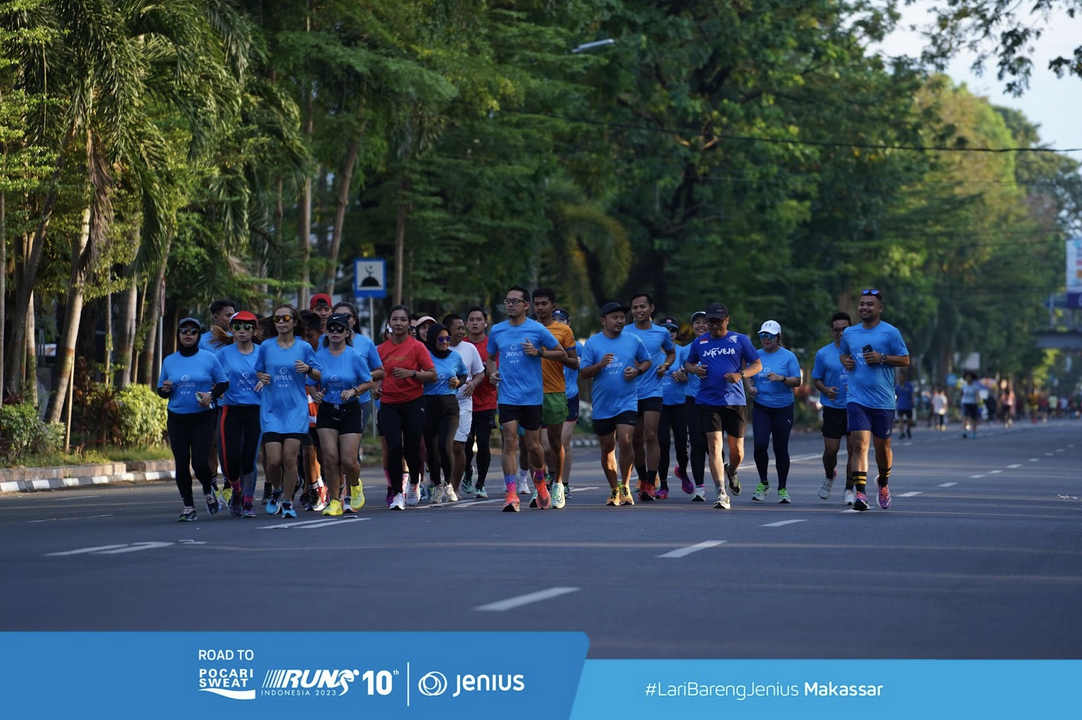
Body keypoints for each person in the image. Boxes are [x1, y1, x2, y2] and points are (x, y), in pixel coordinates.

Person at [486, 285, 566, 512]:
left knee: (534, 447)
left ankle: (540, 483)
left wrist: (539, 352)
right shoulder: (497, 330)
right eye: (507, 301)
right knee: (509, 441)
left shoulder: (537, 329)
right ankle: (511, 494)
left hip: (532, 397)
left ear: (525, 305)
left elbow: (561, 353)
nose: (510, 305)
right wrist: (492, 372)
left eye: (515, 301)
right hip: (508, 396)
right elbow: (490, 359)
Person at [838, 289, 910, 512]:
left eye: (870, 304)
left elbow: (905, 359)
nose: (864, 307)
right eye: (862, 304)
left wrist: (882, 358)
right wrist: (845, 361)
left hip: (883, 401)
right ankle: (860, 493)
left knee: (882, 448)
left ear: (880, 308)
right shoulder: (849, 333)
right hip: (856, 398)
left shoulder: (890, 332)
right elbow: (843, 353)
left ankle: (884, 483)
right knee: (859, 444)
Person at [684, 303, 761, 510]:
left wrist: (740, 375)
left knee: (737, 451)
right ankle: (721, 493)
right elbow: (689, 364)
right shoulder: (700, 342)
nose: (714, 325)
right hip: (708, 401)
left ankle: (732, 470)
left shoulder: (740, 340)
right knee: (714, 446)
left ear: (727, 320)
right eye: (711, 321)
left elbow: (757, 364)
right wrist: (695, 369)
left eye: (718, 321)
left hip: (735, 402)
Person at [579, 301, 651, 507]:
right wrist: (601, 364)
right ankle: (613, 489)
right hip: (602, 404)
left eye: (622, 317)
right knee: (607, 448)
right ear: (603, 320)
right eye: (615, 317)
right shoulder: (593, 343)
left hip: (627, 401)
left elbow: (646, 361)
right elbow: (584, 372)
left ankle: (625, 485)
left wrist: (637, 371)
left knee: (626, 441)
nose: (620, 321)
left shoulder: (633, 340)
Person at [254, 304, 322, 518]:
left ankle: (287, 502)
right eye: (277, 319)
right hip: (272, 410)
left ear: (294, 322)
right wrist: (262, 376)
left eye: (285, 318)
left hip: (295, 410)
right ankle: (276, 490)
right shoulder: (266, 346)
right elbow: (258, 370)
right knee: (273, 460)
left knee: (289, 458)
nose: (281, 322)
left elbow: (318, 374)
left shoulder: (304, 347)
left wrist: (308, 369)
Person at [159, 317, 229, 521]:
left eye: (193, 331)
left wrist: (211, 395)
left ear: (198, 335)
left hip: (203, 417)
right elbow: (161, 390)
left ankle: (208, 488)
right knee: (181, 463)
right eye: (184, 331)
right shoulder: (169, 360)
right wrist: (165, 389)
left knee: (199, 463)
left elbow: (223, 383)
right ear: (178, 335)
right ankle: (188, 506)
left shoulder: (209, 358)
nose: (188, 335)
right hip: (177, 418)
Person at [310, 313, 378, 516]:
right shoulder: (319, 356)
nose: (335, 332)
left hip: (350, 409)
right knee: (330, 458)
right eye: (331, 328)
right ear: (326, 332)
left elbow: (368, 382)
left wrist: (354, 390)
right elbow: (311, 383)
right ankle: (334, 501)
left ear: (347, 332)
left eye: (340, 329)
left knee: (348, 460)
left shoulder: (355, 356)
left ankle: (355, 485)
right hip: (327, 410)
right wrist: (315, 395)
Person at [377, 305, 437, 510]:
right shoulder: (381, 349)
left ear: (408, 324)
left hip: (413, 402)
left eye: (403, 320)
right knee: (394, 449)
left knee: (413, 450)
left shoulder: (417, 347)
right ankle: (397, 494)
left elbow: (432, 375)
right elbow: (374, 375)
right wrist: (376, 388)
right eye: (395, 319)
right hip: (389, 404)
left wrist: (412, 373)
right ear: (389, 323)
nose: (398, 323)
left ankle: (414, 482)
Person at [531, 288, 579, 510]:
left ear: (552, 306)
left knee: (555, 443)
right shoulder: (527, 328)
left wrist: (548, 354)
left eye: (544, 303)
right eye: (537, 304)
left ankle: (558, 484)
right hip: (530, 394)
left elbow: (574, 362)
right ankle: (540, 486)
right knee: (535, 445)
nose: (540, 307)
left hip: (555, 392)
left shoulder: (563, 330)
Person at [626, 292, 676, 502]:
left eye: (642, 307)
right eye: (635, 307)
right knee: (635, 439)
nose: (638, 311)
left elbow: (671, 353)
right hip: (630, 392)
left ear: (651, 308)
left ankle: (650, 483)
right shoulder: (625, 332)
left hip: (653, 390)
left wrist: (665, 366)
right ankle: (642, 477)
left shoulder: (661, 332)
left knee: (651, 435)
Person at [214, 310, 262, 518]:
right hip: (230, 410)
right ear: (231, 330)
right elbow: (213, 377)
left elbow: (272, 375)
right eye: (237, 327)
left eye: (247, 327)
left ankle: (248, 501)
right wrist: (213, 390)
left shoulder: (262, 352)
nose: (242, 331)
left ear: (254, 331)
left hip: (255, 410)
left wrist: (265, 381)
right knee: (229, 458)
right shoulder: (223, 354)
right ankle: (237, 491)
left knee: (248, 457)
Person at [748, 320, 801, 504]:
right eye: (763, 335)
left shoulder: (788, 357)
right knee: (760, 445)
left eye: (770, 336)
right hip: (761, 407)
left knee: (780, 448)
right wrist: (750, 387)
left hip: (783, 408)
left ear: (778, 337)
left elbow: (797, 381)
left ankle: (782, 488)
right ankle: (764, 482)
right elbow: (747, 375)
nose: (766, 339)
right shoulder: (755, 355)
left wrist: (781, 378)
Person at [812, 311, 856, 504]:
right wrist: (825, 389)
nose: (841, 333)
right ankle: (829, 474)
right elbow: (816, 378)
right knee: (831, 450)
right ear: (832, 331)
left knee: (854, 449)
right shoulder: (823, 353)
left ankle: (849, 489)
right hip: (833, 407)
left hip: (856, 406)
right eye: (837, 329)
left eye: (845, 329)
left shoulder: (859, 351)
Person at [422, 323, 469, 503]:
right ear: (433, 339)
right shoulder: (425, 356)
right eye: (440, 339)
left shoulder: (455, 357)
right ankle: (437, 485)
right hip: (428, 405)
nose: (444, 342)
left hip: (449, 405)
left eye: (447, 338)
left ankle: (449, 484)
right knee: (432, 450)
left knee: (445, 445)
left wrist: (458, 382)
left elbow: (464, 374)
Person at [443, 313, 485, 497]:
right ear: (447, 330)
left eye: (462, 328)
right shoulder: (437, 349)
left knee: (458, 446)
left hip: (464, 403)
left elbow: (480, 373)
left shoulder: (469, 348)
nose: (462, 331)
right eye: (458, 328)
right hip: (442, 404)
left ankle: (454, 486)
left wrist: (473, 384)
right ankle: (439, 483)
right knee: (442, 447)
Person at [465, 307, 498, 499]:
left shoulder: (491, 346)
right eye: (471, 319)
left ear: (486, 323)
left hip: (487, 401)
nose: (475, 323)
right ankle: (467, 470)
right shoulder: (461, 345)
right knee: (466, 444)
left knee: (483, 443)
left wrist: (493, 375)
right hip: (465, 401)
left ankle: (481, 484)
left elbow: (496, 370)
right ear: (467, 323)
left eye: (479, 319)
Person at [656, 317, 690, 500]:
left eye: (673, 330)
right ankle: (663, 485)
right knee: (662, 443)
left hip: (680, 404)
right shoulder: (653, 352)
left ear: (677, 333)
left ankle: (682, 471)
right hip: (659, 404)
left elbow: (692, 373)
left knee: (682, 445)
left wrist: (685, 377)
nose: (669, 333)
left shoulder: (683, 352)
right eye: (665, 329)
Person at [553, 308, 583, 497]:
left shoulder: (577, 346)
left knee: (564, 441)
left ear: (568, 324)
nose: (558, 322)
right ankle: (551, 478)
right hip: (549, 397)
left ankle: (564, 483)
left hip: (570, 397)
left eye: (562, 319)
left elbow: (587, 370)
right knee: (548, 445)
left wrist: (581, 363)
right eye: (554, 319)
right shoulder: (545, 345)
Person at [683, 311, 709, 500]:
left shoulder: (718, 346)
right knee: (697, 443)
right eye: (697, 322)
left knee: (714, 444)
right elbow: (682, 372)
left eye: (704, 322)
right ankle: (699, 487)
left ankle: (720, 483)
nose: (701, 325)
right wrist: (682, 375)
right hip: (692, 399)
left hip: (714, 400)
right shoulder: (686, 349)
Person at [895, 372, 916, 439]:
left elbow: (912, 393)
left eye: (901, 377)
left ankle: (908, 429)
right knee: (900, 420)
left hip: (908, 405)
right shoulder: (897, 386)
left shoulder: (908, 385)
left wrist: (913, 400)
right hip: (900, 405)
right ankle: (902, 433)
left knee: (909, 420)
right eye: (898, 377)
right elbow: (895, 394)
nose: (899, 379)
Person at [960, 371, 981, 438]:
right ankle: (964, 431)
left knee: (973, 418)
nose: (968, 379)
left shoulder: (975, 387)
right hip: (965, 403)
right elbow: (961, 394)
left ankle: (973, 432)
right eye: (967, 377)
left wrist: (978, 402)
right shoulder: (963, 386)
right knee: (965, 417)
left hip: (973, 403)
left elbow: (977, 395)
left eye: (969, 377)